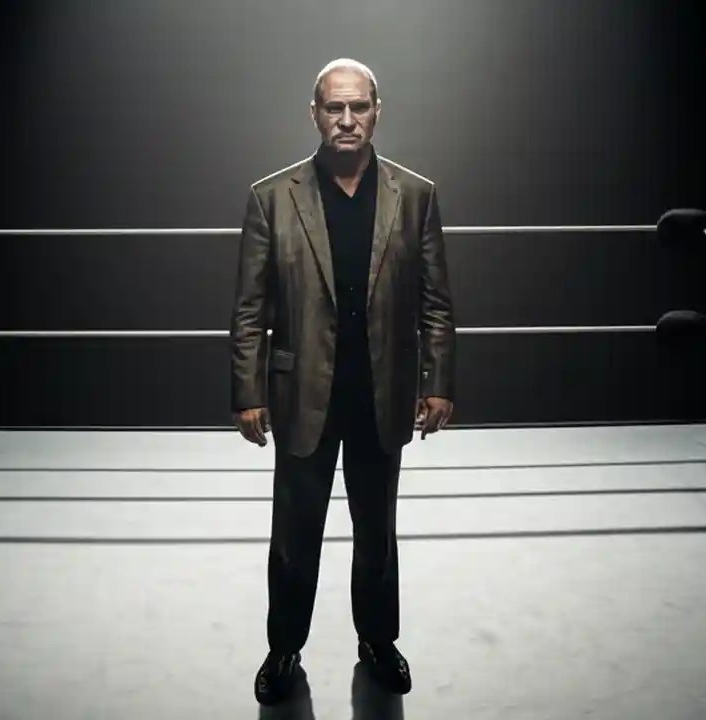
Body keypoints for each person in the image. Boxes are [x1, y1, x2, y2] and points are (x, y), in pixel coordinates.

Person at [229, 57, 457, 705]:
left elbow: (436, 302)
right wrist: (247, 392)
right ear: (315, 114)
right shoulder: (272, 197)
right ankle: (283, 649)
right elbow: (251, 308)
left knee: (377, 534)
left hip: (382, 393)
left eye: (359, 107)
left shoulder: (416, 196)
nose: (347, 120)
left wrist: (438, 381)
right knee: (293, 537)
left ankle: (378, 642)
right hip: (301, 394)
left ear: (377, 110)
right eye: (335, 108)